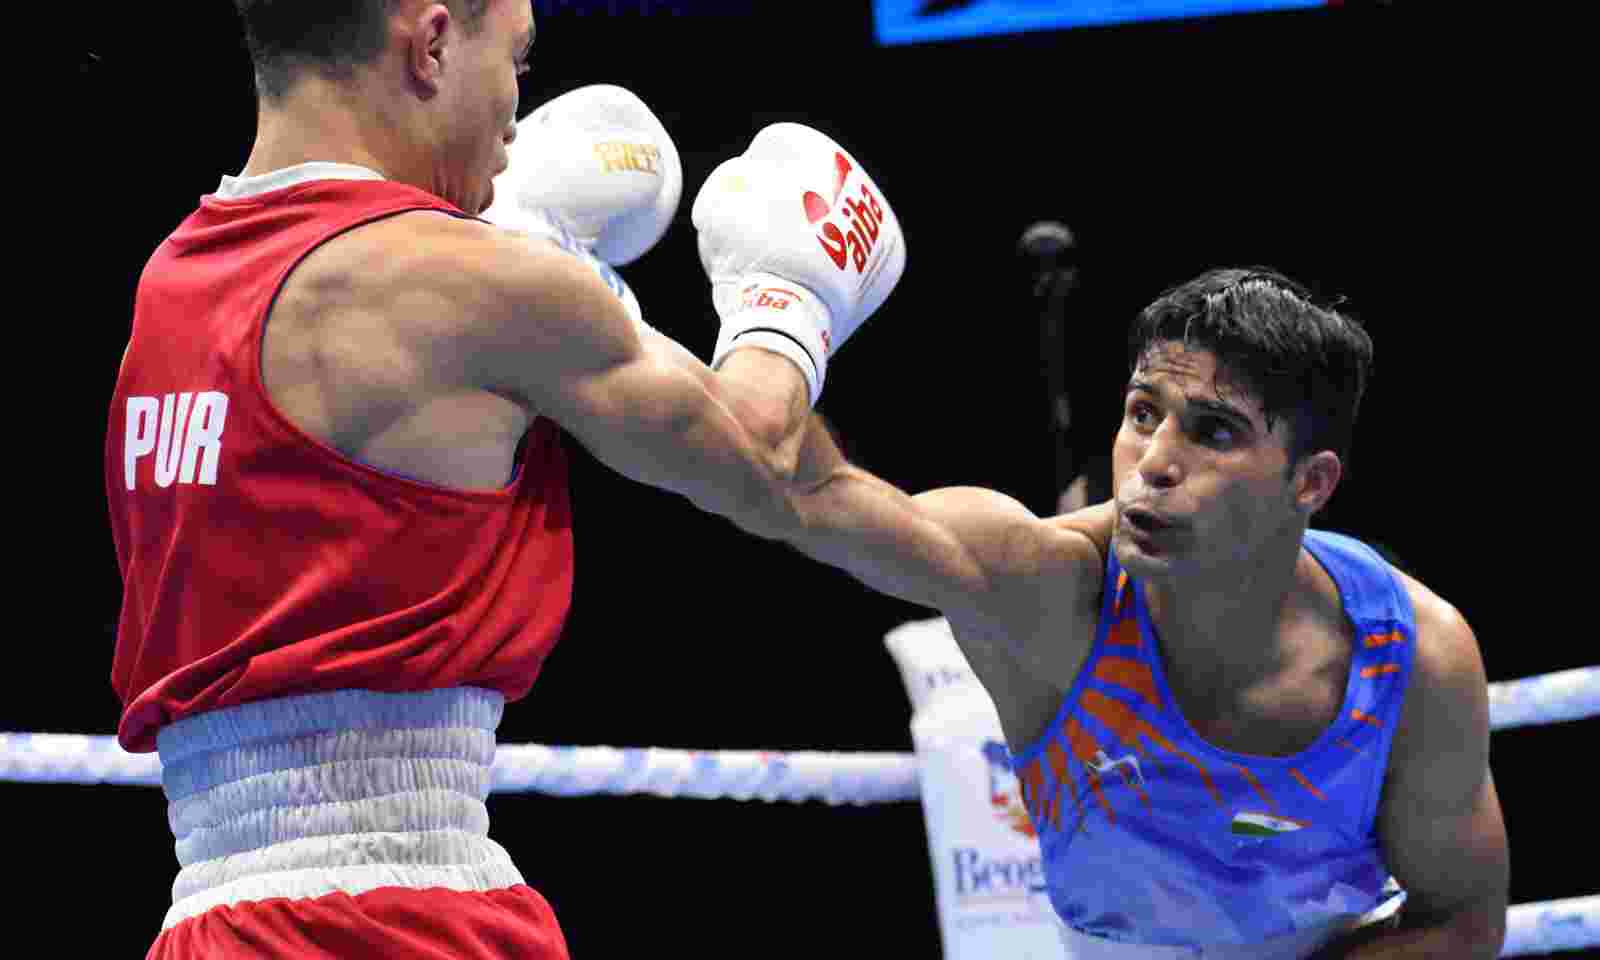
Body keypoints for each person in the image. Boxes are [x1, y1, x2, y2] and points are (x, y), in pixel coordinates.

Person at [104, 1, 903, 956]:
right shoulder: (460, 280)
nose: (518, 114)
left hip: (208, 921)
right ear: (434, 44)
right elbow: (761, 454)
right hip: (395, 922)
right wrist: (789, 303)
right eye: (517, 60)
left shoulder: (171, 287)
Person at [755, 268, 1509, 958]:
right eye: (1144, 413)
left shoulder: (1413, 656)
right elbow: (804, 498)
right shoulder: (1047, 590)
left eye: (1214, 431)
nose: (1154, 461)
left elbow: (1462, 923)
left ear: (1310, 483)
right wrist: (783, 316)